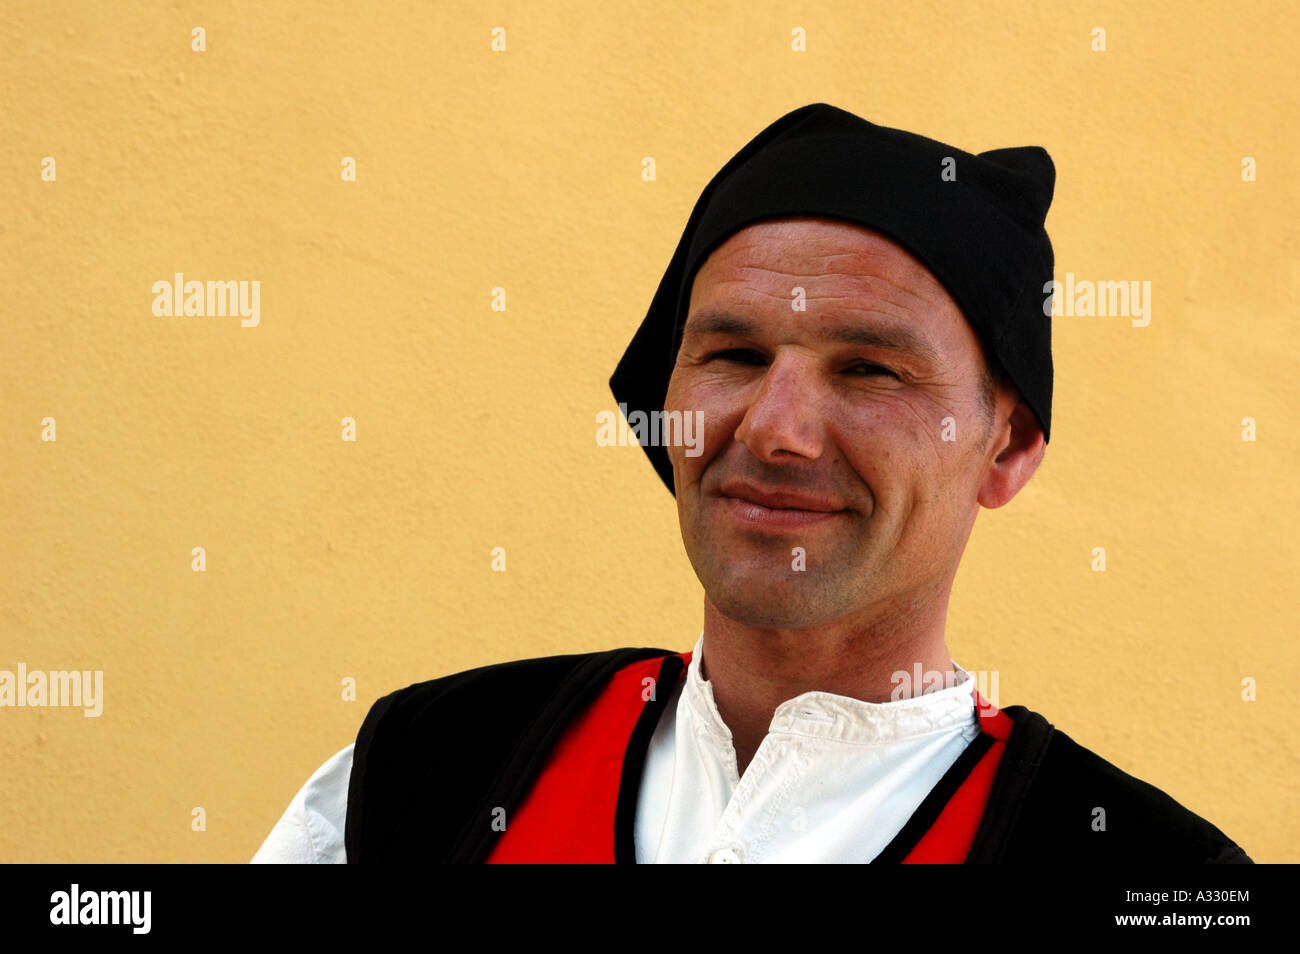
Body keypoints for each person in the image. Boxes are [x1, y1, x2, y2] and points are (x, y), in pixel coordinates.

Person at [252, 103, 1251, 864]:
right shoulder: (433, 773)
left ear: (1007, 448)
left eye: (869, 369)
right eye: (731, 353)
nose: (774, 429)